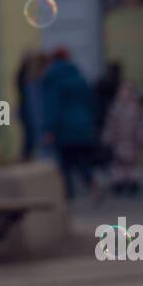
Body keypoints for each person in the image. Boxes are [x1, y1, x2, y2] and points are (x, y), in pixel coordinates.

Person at [40, 49, 101, 204]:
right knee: (82, 161)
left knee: (64, 164)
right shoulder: (79, 77)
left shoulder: (53, 79)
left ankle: (67, 195)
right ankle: (93, 186)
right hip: (83, 126)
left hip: (64, 128)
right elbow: (91, 103)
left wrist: (49, 128)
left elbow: (53, 106)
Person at [101, 79, 143, 196]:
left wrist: (141, 138)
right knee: (119, 163)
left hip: (131, 141)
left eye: (126, 91)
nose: (124, 94)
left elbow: (140, 125)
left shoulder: (135, 109)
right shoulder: (115, 108)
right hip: (119, 141)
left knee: (131, 164)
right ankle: (119, 184)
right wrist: (108, 138)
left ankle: (132, 183)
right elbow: (110, 125)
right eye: (122, 91)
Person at [15, 51, 47, 160]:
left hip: (27, 110)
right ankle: (27, 155)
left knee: (30, 135)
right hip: (27, 110)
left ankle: (27, 155)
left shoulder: (31, 77)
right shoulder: (28, 77)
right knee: (30, 134)